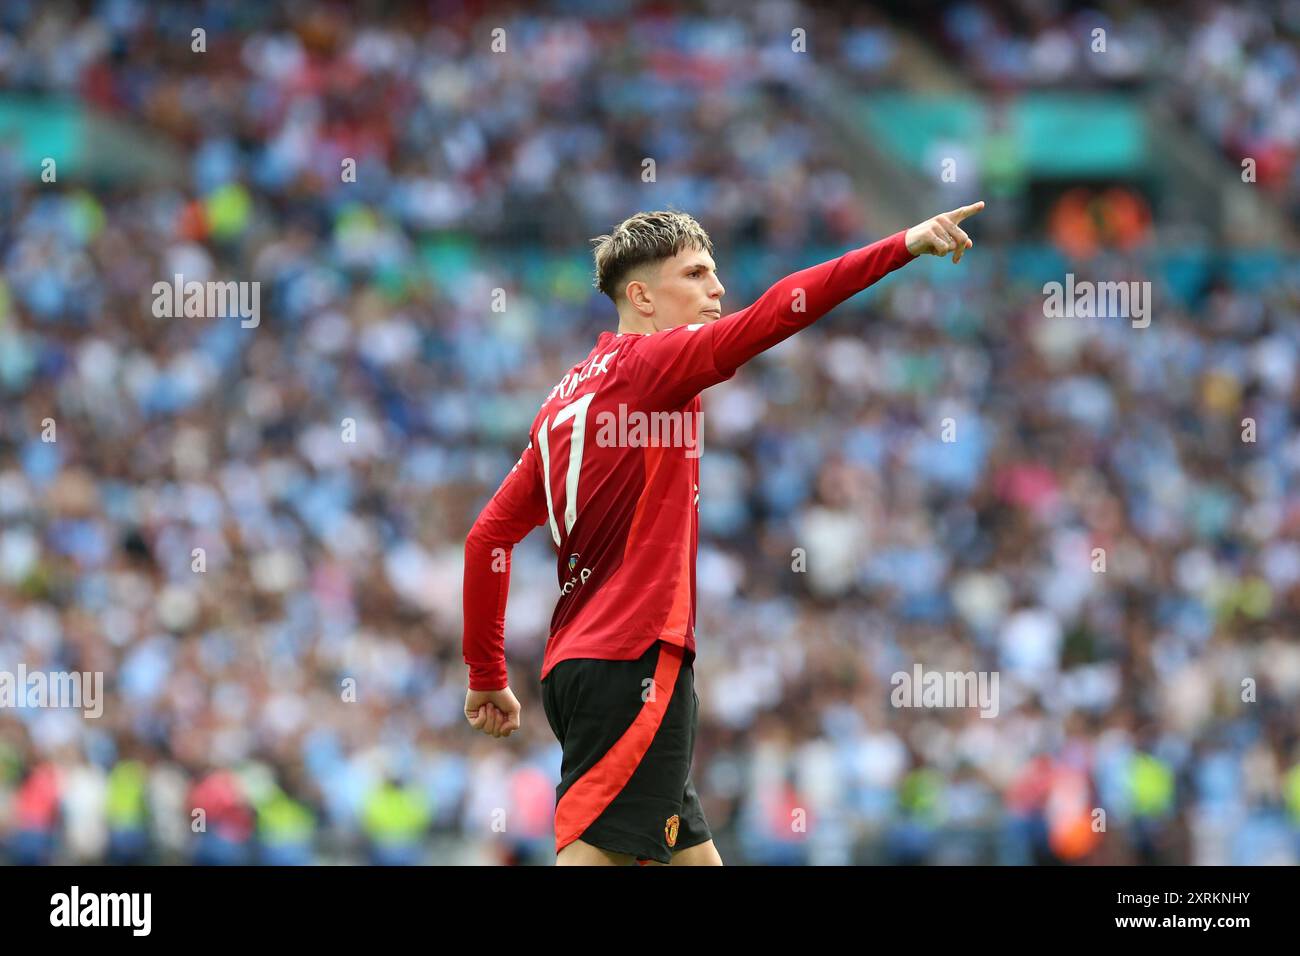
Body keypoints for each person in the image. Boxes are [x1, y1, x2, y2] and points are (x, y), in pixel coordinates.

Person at [461, 202, 985, 865]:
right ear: (642, 295)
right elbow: (778, 312)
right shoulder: (653, 366)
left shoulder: (563, 401)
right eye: (698, 273)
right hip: (635, 659)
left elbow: (488, 539)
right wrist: (906, 244)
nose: (718, 289)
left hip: (581, 666)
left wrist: (485, 673)